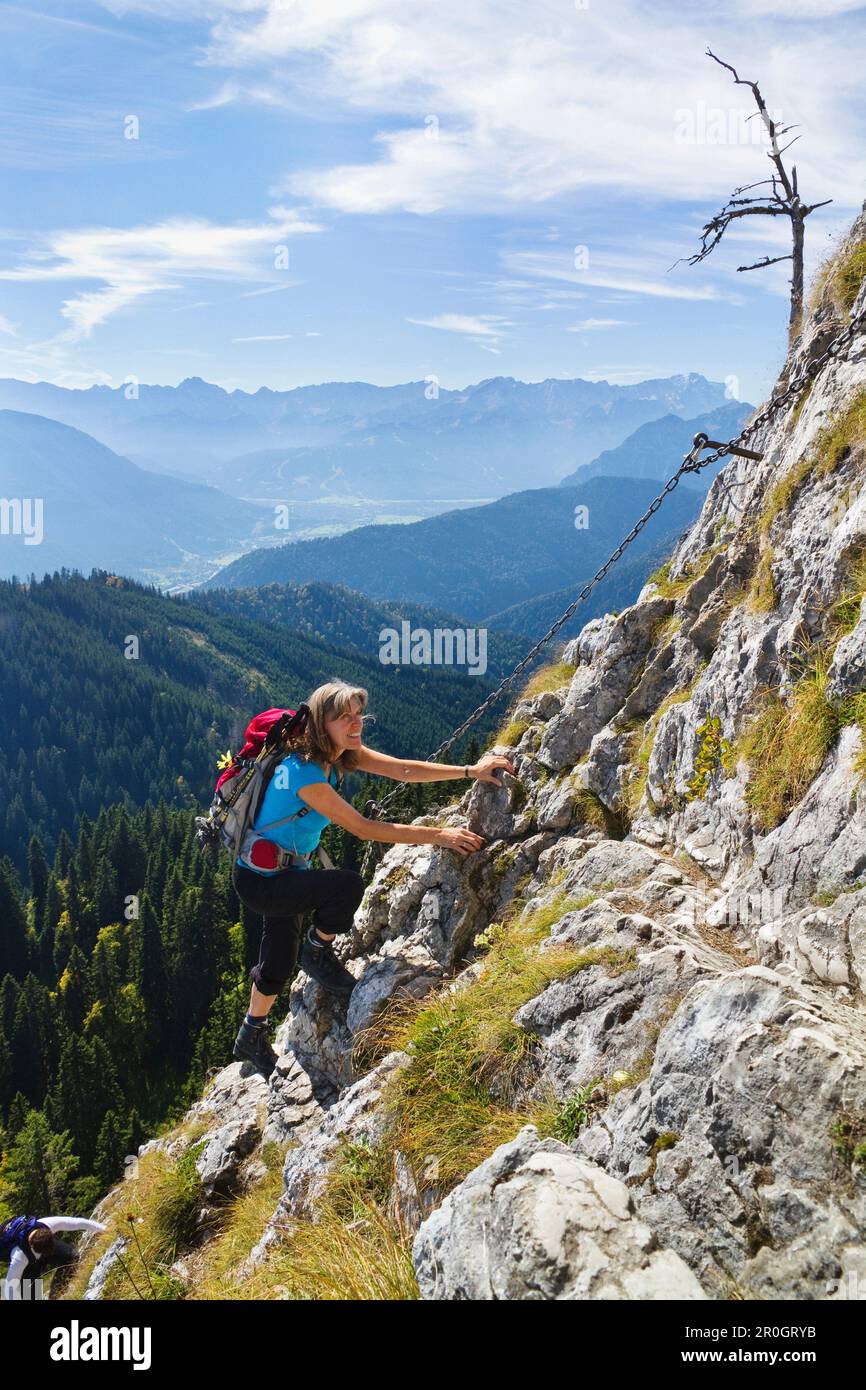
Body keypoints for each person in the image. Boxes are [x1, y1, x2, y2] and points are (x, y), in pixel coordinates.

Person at [231, 679, 514, 1078]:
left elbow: (401, 769)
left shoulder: (337, 754)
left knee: (277, 954)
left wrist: (471, 771)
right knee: (345, 887)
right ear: (319, 723)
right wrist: (440, 836)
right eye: (343, 717)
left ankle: (250, 1034)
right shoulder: (303, 773)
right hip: (263, 882)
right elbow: (363, 828)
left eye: (358, 714)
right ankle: (316, 950)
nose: (355, 723)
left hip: (279, 871)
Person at [1, 1214, 107, 1300]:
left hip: (40, 1247)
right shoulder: (20, 1257)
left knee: (71, 1256)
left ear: (50, 1234)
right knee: (32, 1297)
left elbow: (76, 1222)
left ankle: (55, 1295)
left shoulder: (46, 1224)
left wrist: (104, 1229)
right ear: (33, 1247)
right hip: (29, 1264)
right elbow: (10, 1286)